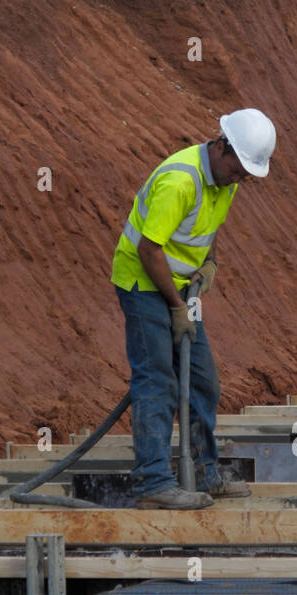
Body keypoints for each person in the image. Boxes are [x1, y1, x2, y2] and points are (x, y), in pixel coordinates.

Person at [111, 109, 276, 508]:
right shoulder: (180, 181)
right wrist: (175, 308)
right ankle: (153, 484)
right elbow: (149, 249)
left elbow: (207, 229)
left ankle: (204, 474)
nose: (242, 181)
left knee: (204, 382)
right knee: (157, 381)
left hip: (181, 288)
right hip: (143, 283)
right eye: (240, 171)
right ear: (222, 148)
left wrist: (210, 262)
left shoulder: (227, 179)